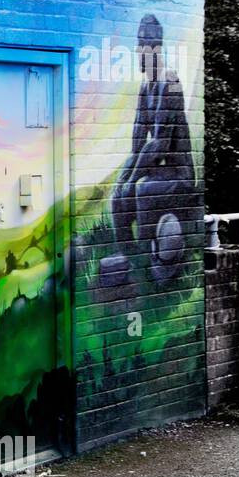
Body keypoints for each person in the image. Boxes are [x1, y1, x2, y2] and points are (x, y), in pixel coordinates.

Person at [100, 15, 196, 287]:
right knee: (119, 194)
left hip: (179, 173)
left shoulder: (170, 83)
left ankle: (148, 264)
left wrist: (133, 179)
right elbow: (138, 137)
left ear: (156, 48)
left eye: (143, 46)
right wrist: (125, 177)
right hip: (161, 169)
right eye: (138, 45)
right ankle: (129, 258)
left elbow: (160, 144)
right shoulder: (146, 88)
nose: (138, 53)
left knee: (141, 188)